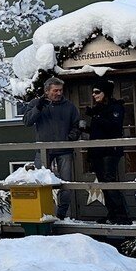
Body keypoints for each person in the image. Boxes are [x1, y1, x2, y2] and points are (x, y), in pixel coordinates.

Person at [23, 76, 81, 219]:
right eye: (55, 90)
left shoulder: (69, 106)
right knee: (40, 183)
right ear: (47, 91)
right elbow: (27, 121)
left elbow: (77, 124)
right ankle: (43, 213)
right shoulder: (37, 103)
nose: (59, 93)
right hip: (43, 150)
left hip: (64, 149)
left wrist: (71, 137)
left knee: (66, 184)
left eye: (60, 90)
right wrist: (38, 108)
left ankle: (62, 215)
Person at [84, 79, 130, 224]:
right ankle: (112, 214)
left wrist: (96, 117)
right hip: (97, 151)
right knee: (104, 183)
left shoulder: (115, 107)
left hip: (110, 151)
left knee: (109, 182)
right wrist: (85, 128)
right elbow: (99, 131)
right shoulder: (98, 109)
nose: (94, 95)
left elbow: (114, 127)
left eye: (97, 92)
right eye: (93, 92)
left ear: (106, 93)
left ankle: (122, 215)